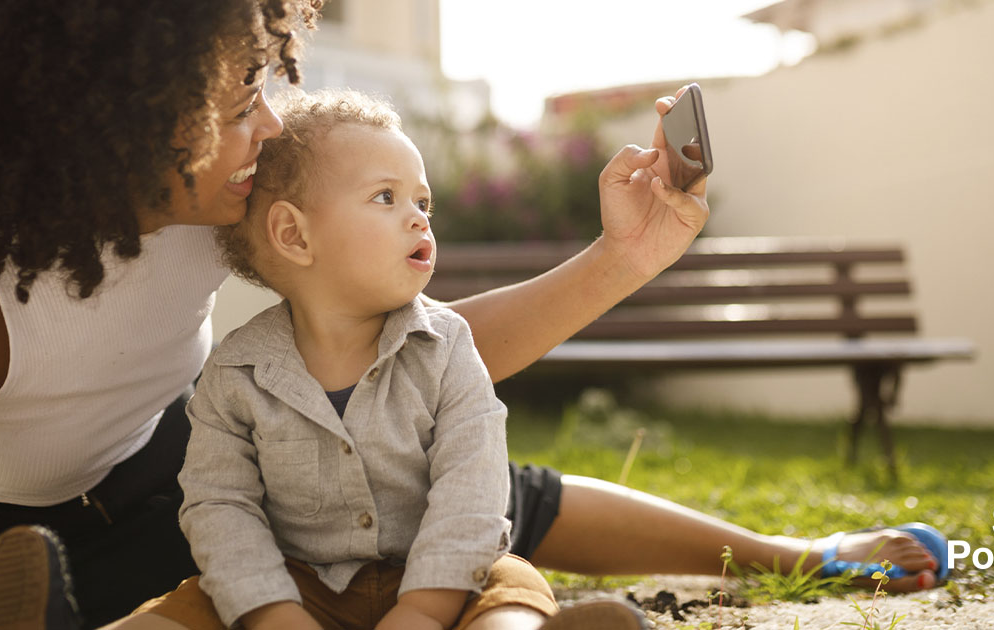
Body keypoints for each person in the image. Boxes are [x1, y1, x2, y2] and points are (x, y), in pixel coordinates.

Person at [0, 2, 938, 629]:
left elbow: (416, 350)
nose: (267, 124)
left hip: (175, 467)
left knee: (427, 470)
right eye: (234, 106)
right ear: (118, 112)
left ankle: (800, 556)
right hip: (23, 533)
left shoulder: (227, 205)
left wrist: (625, 258)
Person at [123, 88, 645, 630]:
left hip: (440, 579)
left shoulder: (447, 347)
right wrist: (273, 613)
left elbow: (472, 492)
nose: (419, 219)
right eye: (385, 197)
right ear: (293, 234)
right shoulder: (236, 374)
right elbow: (220, 506)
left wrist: (424, 609)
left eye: (423, 202)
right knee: (181, 608)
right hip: (296, 587)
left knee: (511, 588)